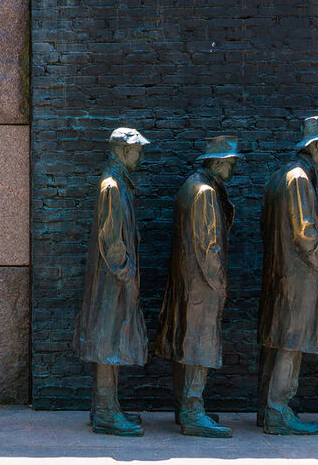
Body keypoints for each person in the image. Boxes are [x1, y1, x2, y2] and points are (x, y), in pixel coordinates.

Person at [258, 114, 318, 436]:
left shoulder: (282, 176)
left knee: (281, 341)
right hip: (298, 276)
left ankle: (269, 409)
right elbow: (305, 232)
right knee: (290, 344)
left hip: (283, 273)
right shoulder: (299, 179)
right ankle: (278, 411)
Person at [153, 135, 241, 438]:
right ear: (217, 162)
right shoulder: (204, 192)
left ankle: (186, 406)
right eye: (230, 163)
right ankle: (192, 411)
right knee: (199, 345)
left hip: (187, 281)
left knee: (188, 343)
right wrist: (218, 284)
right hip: (202, 284)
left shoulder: (191, 186)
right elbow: (209, 246)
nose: (233, 169)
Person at [74, 127, 150, 436]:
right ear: (123, 150)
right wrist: (126, 272)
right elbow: (111, 239)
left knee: (114, 340)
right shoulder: (112, 186)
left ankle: (107, 406)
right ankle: (105, 412)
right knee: (108, 341)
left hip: (114, 278)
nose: (141, 155)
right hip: (112, 281)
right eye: (137, 150)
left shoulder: (119, 183)